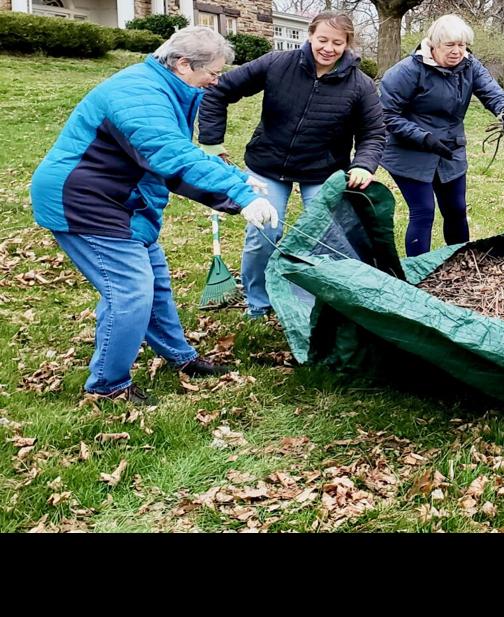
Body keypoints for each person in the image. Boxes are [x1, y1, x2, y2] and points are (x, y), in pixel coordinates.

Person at [30, 26, 275, 405]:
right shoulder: (138, 92)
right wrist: (240, 194)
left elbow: (170, 165)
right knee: (129, 293)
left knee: (155, 286)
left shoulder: (167, 89)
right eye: (212, 72)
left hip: (124, 201)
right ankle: (108, 386)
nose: (215, 80)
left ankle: (180, 358)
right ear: (182, 64)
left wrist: (236, 184)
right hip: (84, 202)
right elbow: (170, 153)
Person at [198, 10, 385, 319]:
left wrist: (364, 164)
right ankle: (258, 301)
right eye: (322, 39)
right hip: (268, 165)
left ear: (347, 44)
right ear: (310, 35)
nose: (328, 48)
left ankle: (316, 304)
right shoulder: (277, 63)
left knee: (324, 238)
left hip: (322, 170)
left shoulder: (360, 85)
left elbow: (374, 132)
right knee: (264, 233)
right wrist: (212, 143)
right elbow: (219, 90)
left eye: (337, 43)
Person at [380, 14, 504, 257]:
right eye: (450, 45)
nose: (457, 51)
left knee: (456, 209)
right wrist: (422, 137)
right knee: (423, 211)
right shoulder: (407, 71)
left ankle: (459, 262)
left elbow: (492, 93)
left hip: (449, 147)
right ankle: (418, 273)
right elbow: (386, 114)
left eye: (462, 45)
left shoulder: (470, 66)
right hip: (408, 150)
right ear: (433, 45)